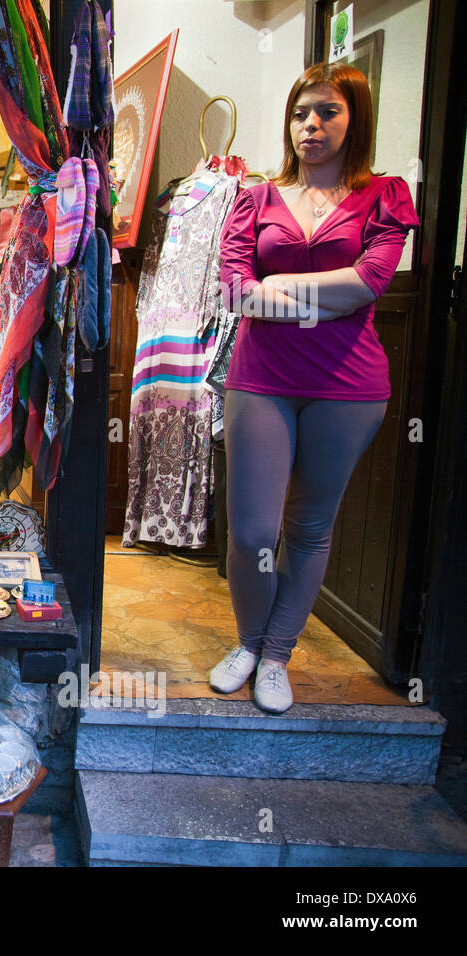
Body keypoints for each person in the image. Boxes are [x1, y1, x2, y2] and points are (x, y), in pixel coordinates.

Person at [208, 62, 418, 713]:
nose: (311, 125)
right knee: (250, 532)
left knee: (310, 527)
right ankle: (247, 641)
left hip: (349, 386)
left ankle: (276, 654)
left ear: (354, 117)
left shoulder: (385, 194)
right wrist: (324, 297)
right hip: (262, 377)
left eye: (327, 111)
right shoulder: (256, 198)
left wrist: (280, 291)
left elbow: (371, 282)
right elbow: (235, 290)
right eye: (302, 113)